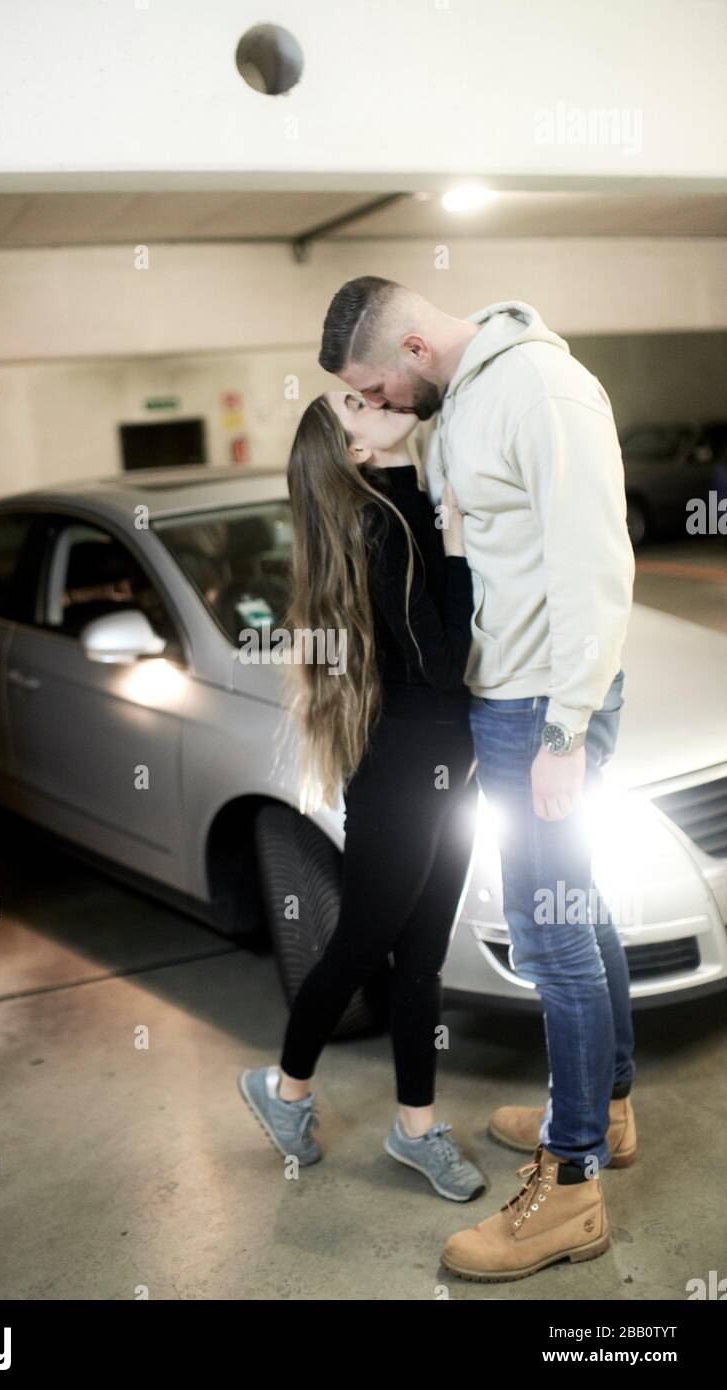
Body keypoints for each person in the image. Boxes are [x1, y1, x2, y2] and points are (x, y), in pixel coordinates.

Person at [318, 276, 637, 1281]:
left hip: (544, 707)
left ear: (413, 344)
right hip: (506, 700)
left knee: (552, 938)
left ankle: (573, 1183)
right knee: (576, 914)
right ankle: (608, 1106)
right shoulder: (457, 408)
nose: (375, 405)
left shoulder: (542, 393)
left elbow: (597, 565)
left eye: (375, 385)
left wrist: (567, 729)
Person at [238, 387, 487, 1202]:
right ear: (353, 451)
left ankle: (414, 1131)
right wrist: (454, 547)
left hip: (450, 767)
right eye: (356, 404)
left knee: (420, 960)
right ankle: (284, 1093)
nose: (376, 398)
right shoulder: (380, 525)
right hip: (402, 774)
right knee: (362, 945)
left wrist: (440, 524)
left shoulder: (401, 500)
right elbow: (443, 663)